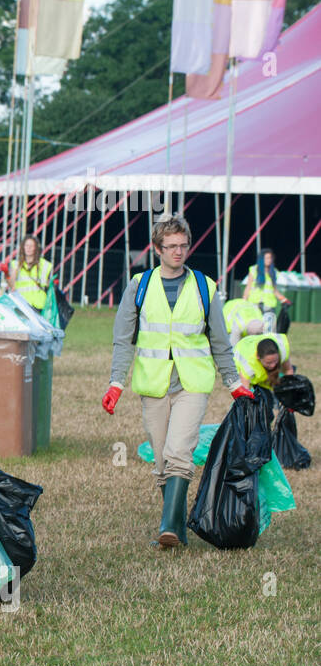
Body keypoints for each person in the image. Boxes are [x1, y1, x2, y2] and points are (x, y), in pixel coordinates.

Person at [103, 215, 246, 549]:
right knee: (161, 460)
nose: (178, 252)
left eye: (183, 245)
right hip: (153, 384)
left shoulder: (204, 286)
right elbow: (123, 339)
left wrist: (233, 381)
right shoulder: (138, 286)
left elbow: (220, 341)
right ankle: (178, 530)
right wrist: (115, 383)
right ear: (157, 249)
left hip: (192, 383)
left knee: (179, 450)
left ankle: (167, 527)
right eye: (171, 247)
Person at [2, 235, 53, 311]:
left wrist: (52, 284)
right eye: (26, 245)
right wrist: (6, 274)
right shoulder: (16, 264)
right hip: (21, 303)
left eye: (31, 246)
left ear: (36, 248)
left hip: (38, 305)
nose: (28, 248)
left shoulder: (44, 265)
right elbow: (12, 285)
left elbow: (48, 286)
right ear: (23, 247)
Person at [244, 248, 290, 331]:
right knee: (255, 328)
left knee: (269, 329)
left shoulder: (274, 272)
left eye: (270, 258)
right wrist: (244, 301)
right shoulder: (254, 270)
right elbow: (248, 287)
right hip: (255, 304)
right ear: (262, 259)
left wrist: (284, 300)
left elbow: (274, 290)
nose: (269, 260)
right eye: (267, 258)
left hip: (269, 305)